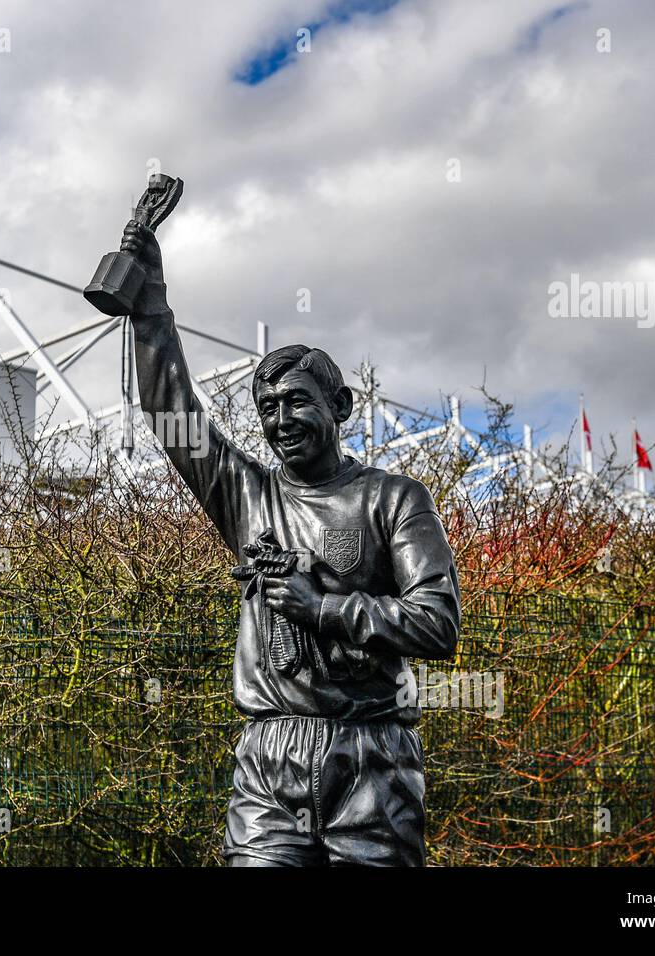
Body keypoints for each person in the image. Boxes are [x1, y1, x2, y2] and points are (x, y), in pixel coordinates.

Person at [122, 219, 461, 866]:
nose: (280, 421)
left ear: (341, 406)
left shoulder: (394, 500)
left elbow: (436, 624)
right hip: (269, 763)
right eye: (268, 408)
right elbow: (172, 412)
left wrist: (321, 607)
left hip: (372, 760)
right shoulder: (247, 497)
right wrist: (152, 307)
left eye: (297, 402)